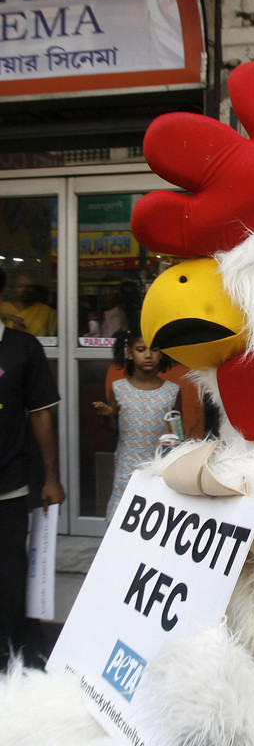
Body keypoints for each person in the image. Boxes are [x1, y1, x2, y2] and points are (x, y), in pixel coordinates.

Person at [0, 269, 65, 670]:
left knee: (9, 570)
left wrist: (51, 478)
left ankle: (12, 651)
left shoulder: (22, 348)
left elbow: (41, 415)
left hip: (9, 484)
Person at [93, 328, 181, 519]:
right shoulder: (119, 388)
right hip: (127, 468)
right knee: (120, 518)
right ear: (130, 354)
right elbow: (112, 432)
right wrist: (108, 415)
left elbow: (177, 435)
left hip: (159, 468)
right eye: (141, 350)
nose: (148, 355)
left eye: (154, 350)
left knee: (155, 519)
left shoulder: (172, 391)